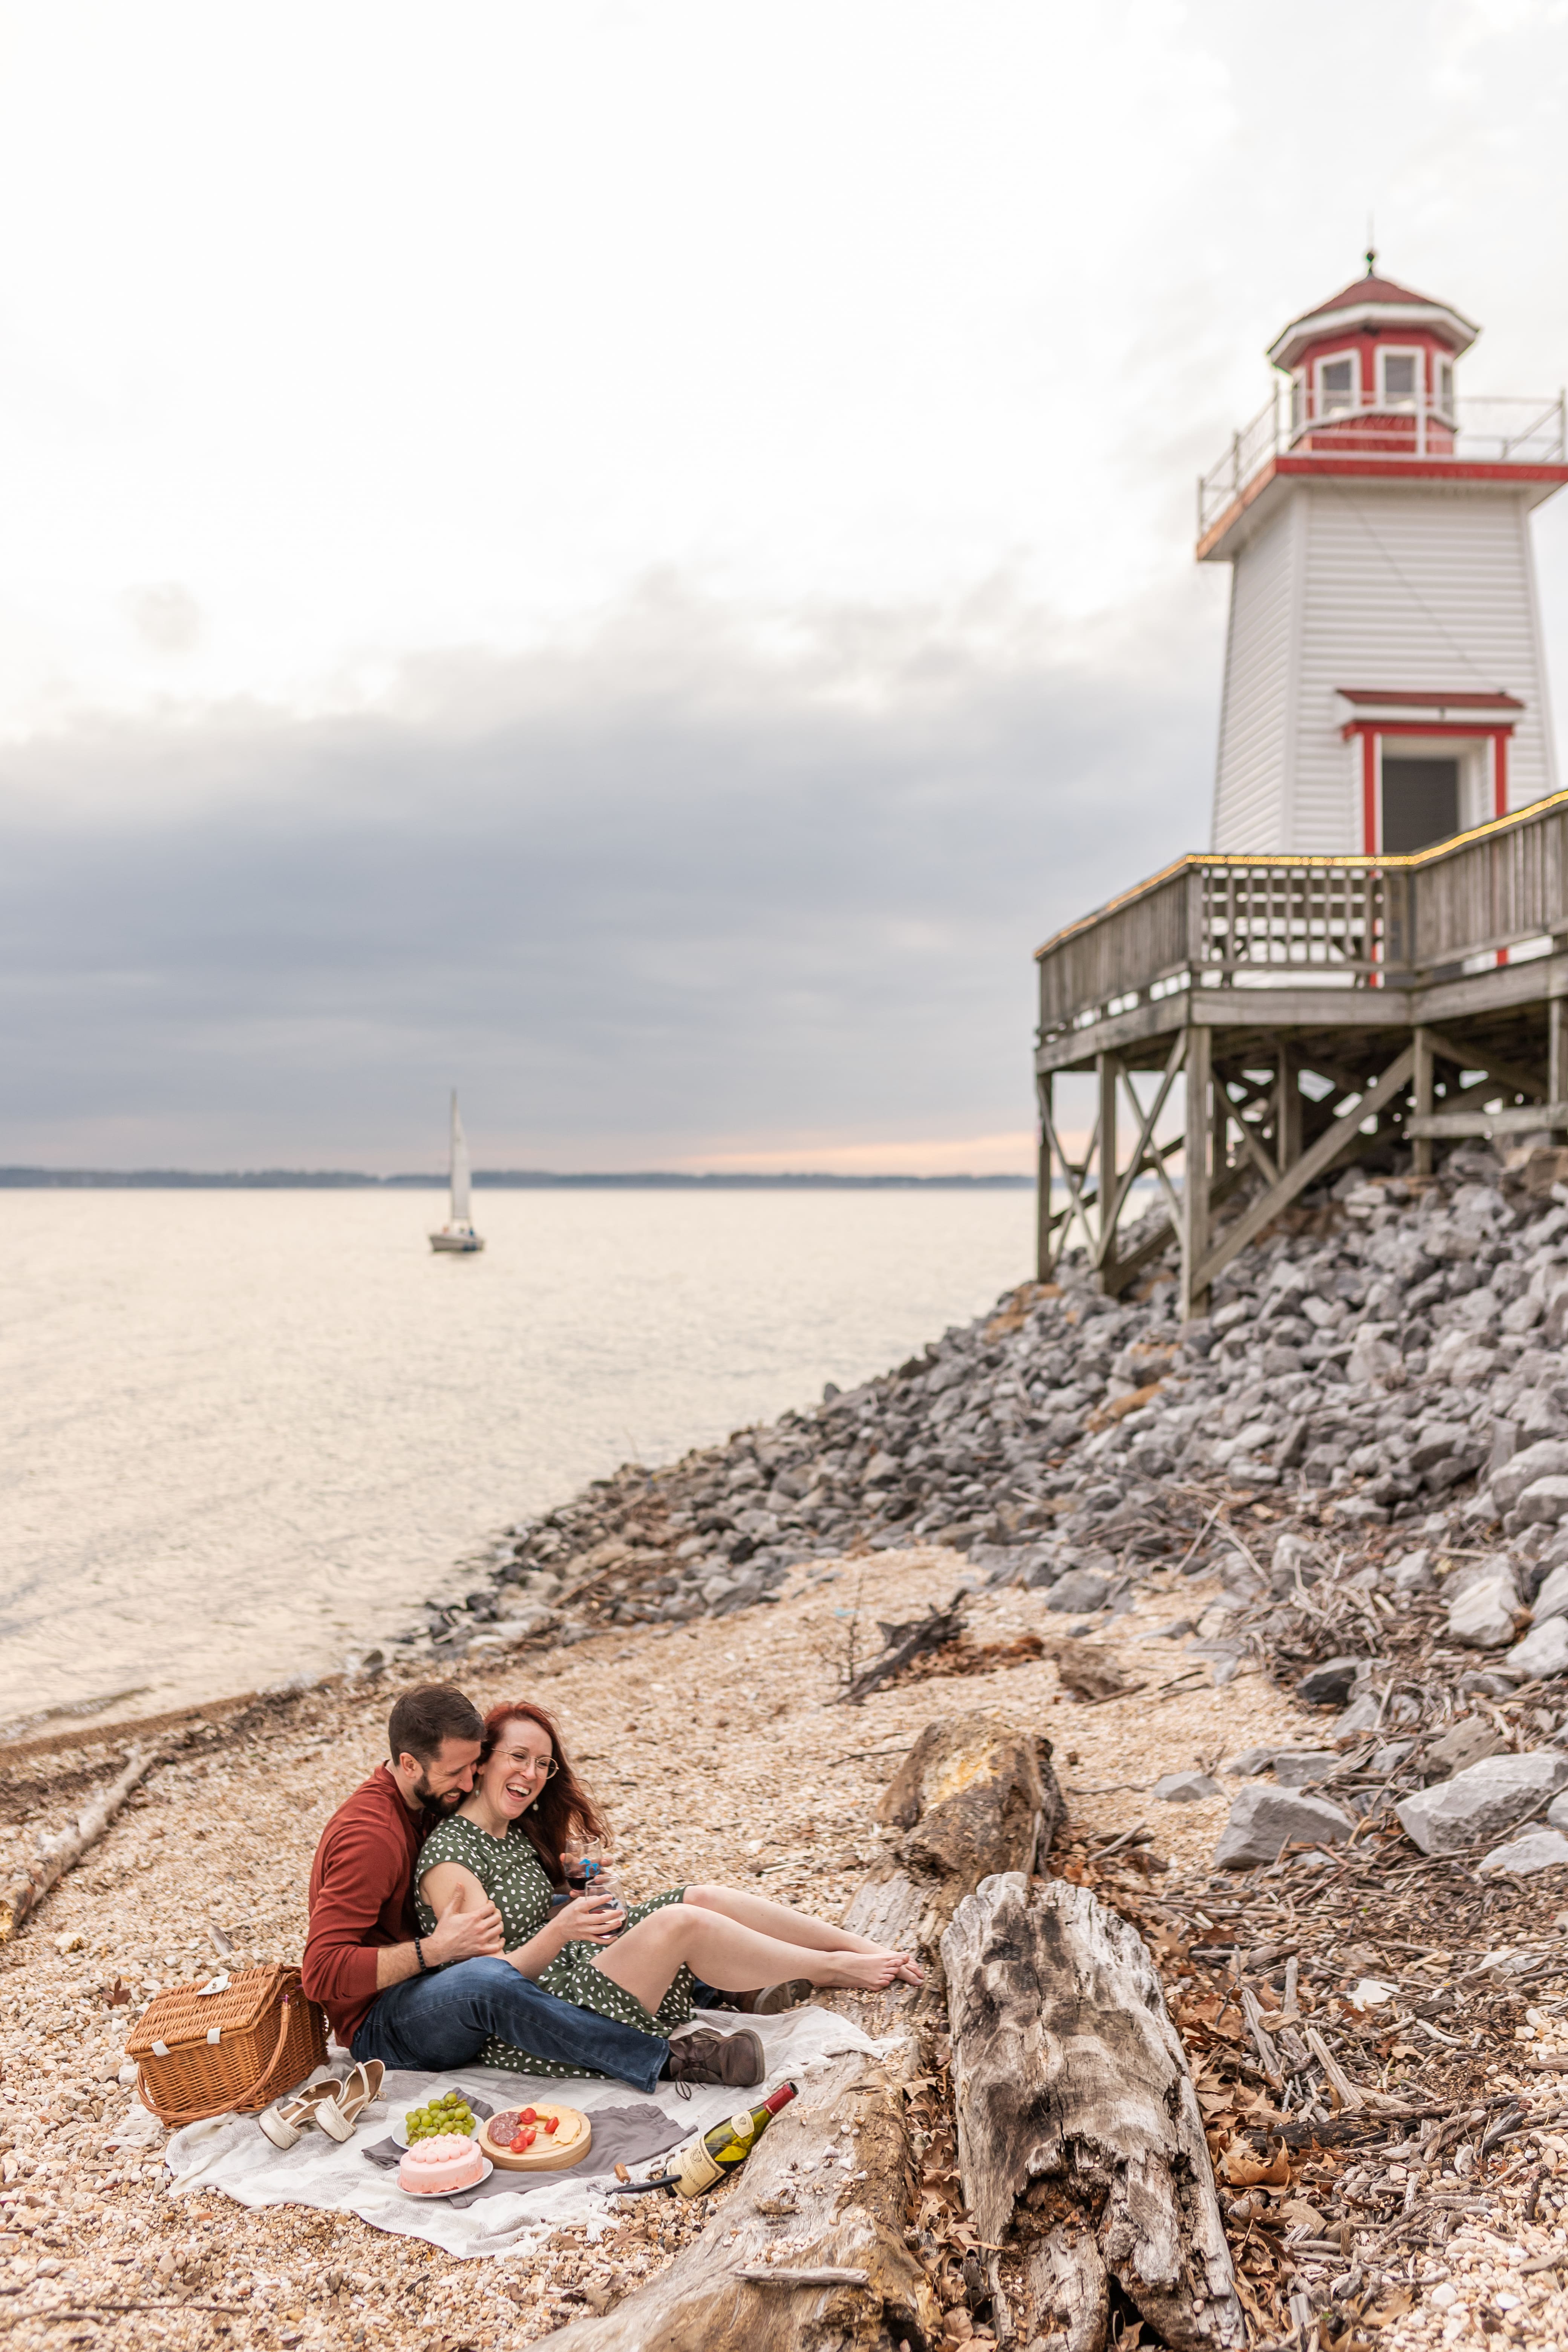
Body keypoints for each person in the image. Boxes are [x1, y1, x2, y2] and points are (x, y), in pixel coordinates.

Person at [412, 1696, 923, 2079]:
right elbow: (490, 1985)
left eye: (543, 1764)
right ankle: (832, 1968)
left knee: (698, 1896)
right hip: (543, 2021)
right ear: (483, 1761)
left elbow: (530, 1914)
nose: (532, 1773)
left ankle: (860, 1945)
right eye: (517, 1757)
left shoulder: (511, 1832)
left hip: (572, 1972)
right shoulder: (452, 1857)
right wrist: (564, 1930)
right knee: (681, 1924)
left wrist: (572, 1894)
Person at [301, 1684, 764, 2092]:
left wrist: (559, 1884)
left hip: (434, 1979)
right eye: (457, 1773)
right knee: (486, 1980)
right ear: (408, 1763)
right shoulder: (370, 1837)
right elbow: (319, 1973)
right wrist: (433, 1950)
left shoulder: (425, 1796)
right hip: (384, 2025)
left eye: (474, 1766)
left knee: (589, 1914)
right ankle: (667, 2059)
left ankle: (705, 1983)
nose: (468, 1783)